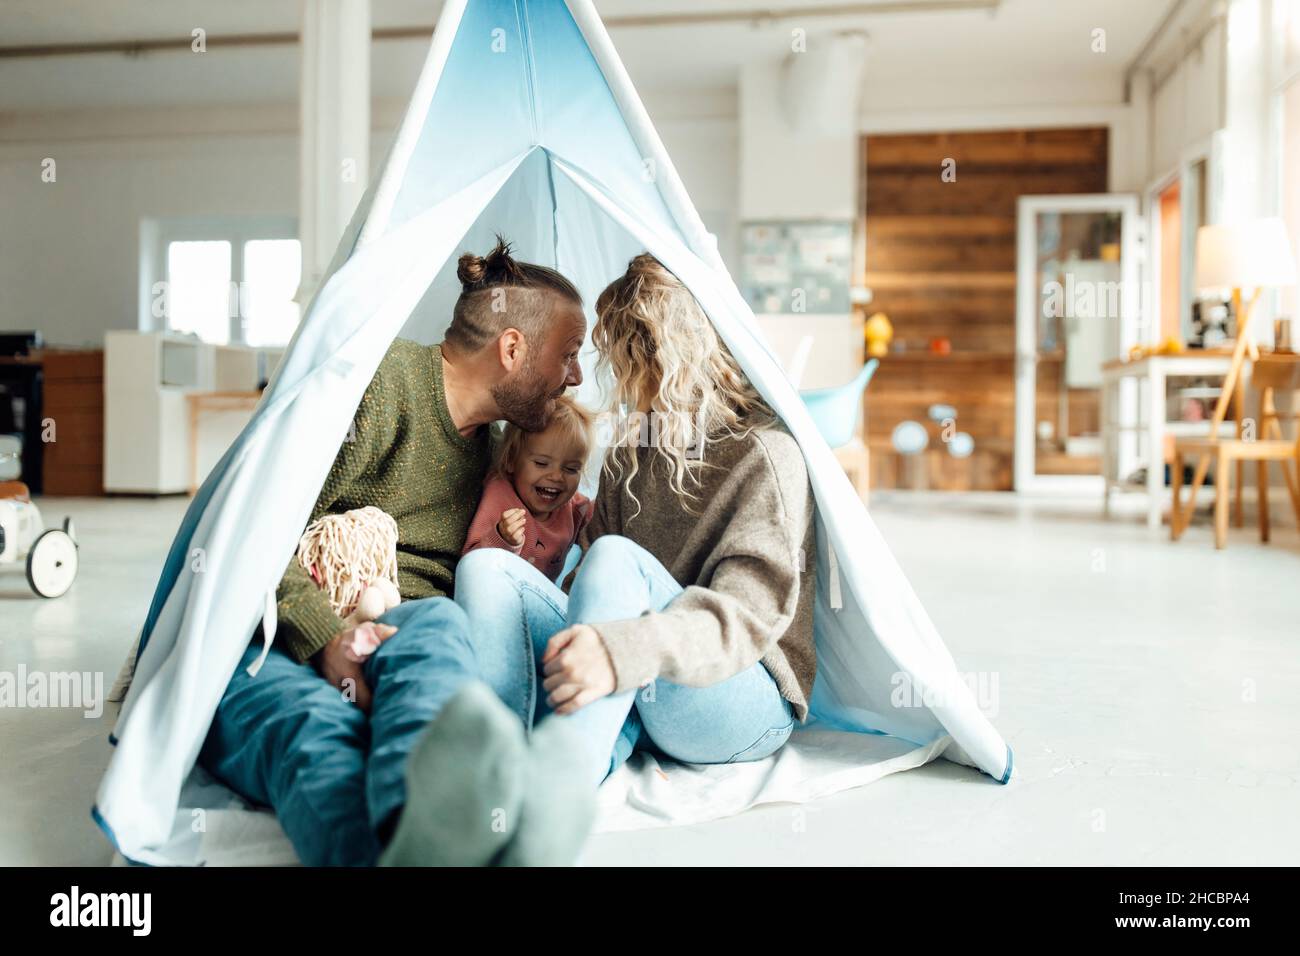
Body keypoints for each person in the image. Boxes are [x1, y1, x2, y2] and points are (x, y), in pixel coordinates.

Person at [199, 238, 594, 866]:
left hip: (402, 630)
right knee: (316, 730)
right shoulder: (375, 385)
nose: (576, 376)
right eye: (568, 355)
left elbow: (557, 523)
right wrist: (328, 640)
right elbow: (249, 533)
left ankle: (439, 822)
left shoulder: (501, 454)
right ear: (512, 348)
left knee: (438, 628)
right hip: (270, 632)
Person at [455, 253, 817, 787]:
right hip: (636, 681)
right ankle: (495, 765)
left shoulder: (765, 453)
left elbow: (744, 623)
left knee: (615, 557)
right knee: (485, 569)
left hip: (740, 694)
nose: (617, 383)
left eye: (625, 362)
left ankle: (563, 784)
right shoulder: (631, 452)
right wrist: (581, 646)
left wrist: (622, 650)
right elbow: (586, 590)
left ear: (667, 358)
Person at [461, 394, 595, 582]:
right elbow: (472, 565)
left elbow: (601, 519)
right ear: (511, 460)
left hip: (540, 596)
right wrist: (502, 538)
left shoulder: (573, 508)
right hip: (498, 591)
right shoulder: (499, 496)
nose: (557, 476)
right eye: (541, 463)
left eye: (571, 469)